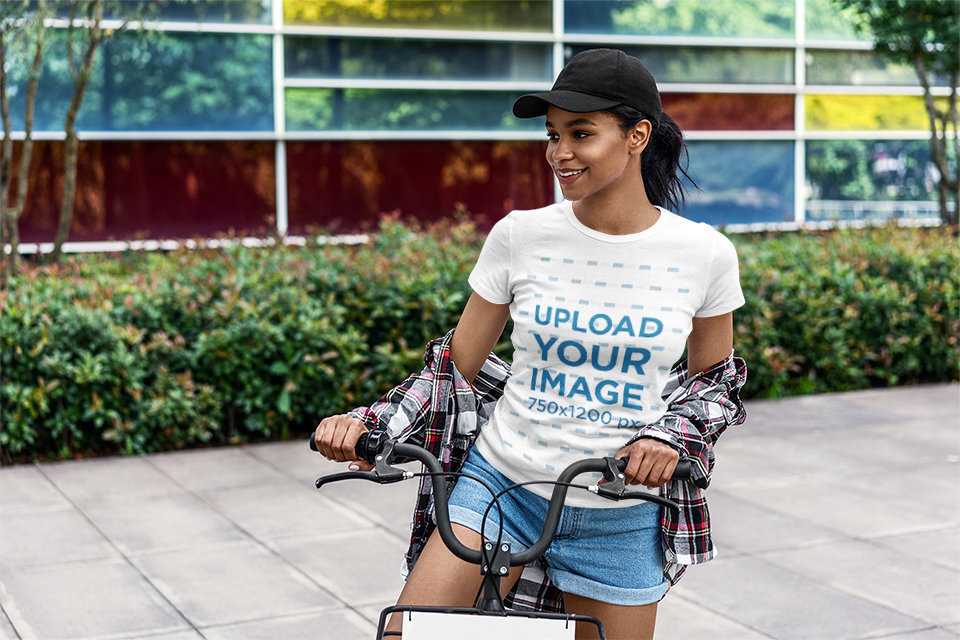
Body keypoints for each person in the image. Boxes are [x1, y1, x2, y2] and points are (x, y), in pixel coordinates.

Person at [314, 48, 746, 640]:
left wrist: (667, 438)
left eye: (581, 133)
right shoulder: (521, 235)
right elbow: (452, 369)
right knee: (407, 634)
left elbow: (712, 383)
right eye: (551, 135)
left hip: (616, 507)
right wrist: (372, 424)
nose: (558, 153)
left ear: (637, 135)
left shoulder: (705, 255)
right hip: (501, 483)